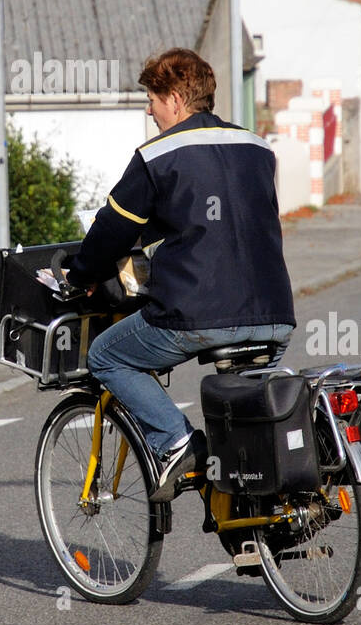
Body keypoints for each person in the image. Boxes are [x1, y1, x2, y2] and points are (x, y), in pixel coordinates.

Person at [63, 47, 296, 501]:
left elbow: (114, 228)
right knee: (247, 418)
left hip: (199, 314)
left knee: (107, 355)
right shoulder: (257, 147)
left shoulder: (159, 154)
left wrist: (79, 273)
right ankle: (261, 519)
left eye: (151, 99)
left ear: (174, 97)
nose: (148, 110)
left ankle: (176, 442)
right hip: (274, 313)